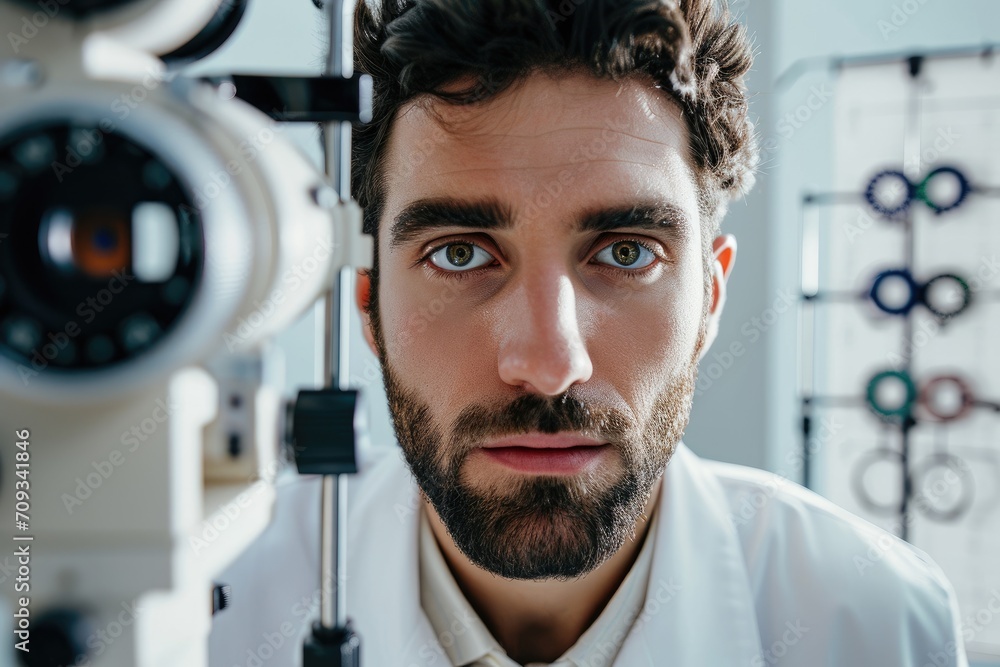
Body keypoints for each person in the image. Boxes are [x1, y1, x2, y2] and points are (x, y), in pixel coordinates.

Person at [345, 0, 968, 665]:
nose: (552, 363)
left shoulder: (877, 620)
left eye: (625, 253)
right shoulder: (230, 593)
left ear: (711, 297)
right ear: (369, 300)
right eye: (459, 254)